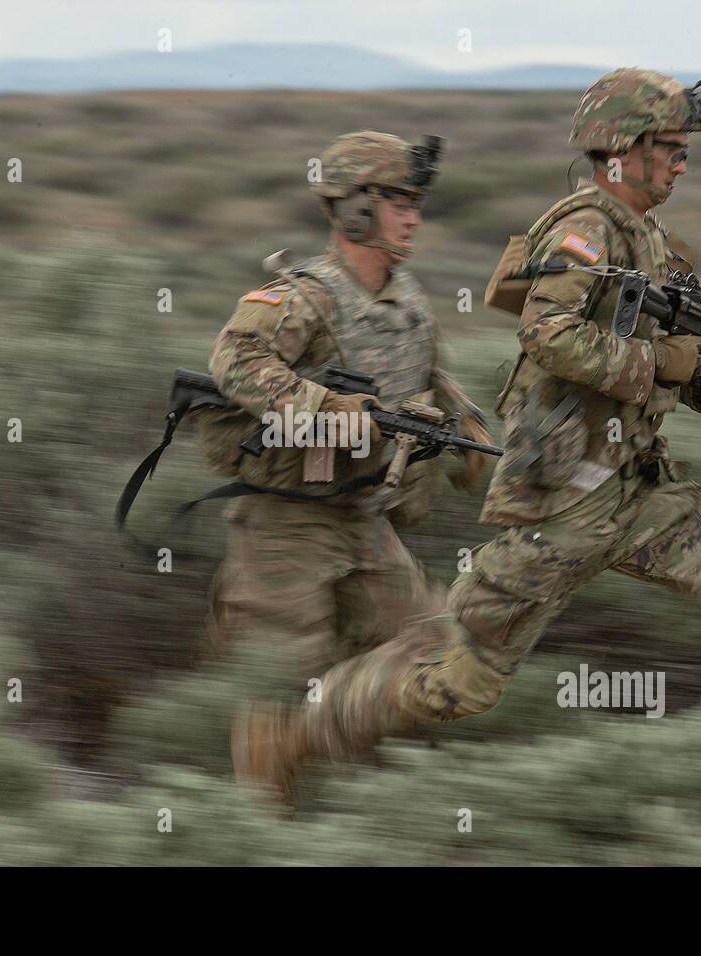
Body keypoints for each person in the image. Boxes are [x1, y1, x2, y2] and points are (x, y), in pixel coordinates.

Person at [235, 71, 701, 799]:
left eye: (683, 147)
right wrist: (657, 362)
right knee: (461, 678)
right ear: (619, 150)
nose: (681, 160)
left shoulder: (655, 243)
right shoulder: (585, 228)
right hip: (558, 504)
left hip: (638, 495)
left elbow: (655, 364)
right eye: (669, 146)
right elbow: (548, 333)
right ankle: (289, 737)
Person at [204, 132, 490, 798]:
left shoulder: (407, 301)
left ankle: (313, 754)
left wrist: (464, 431)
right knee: (275, 683)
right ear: (356, 210)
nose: (415, 216)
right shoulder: (304, 296)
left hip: (367, 522)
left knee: (443, 658)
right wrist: (324, 406)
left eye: (417, 202)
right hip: (285, 527)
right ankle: (253, 821)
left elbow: (434, 377)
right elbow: (235, 361)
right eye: (399, 201)